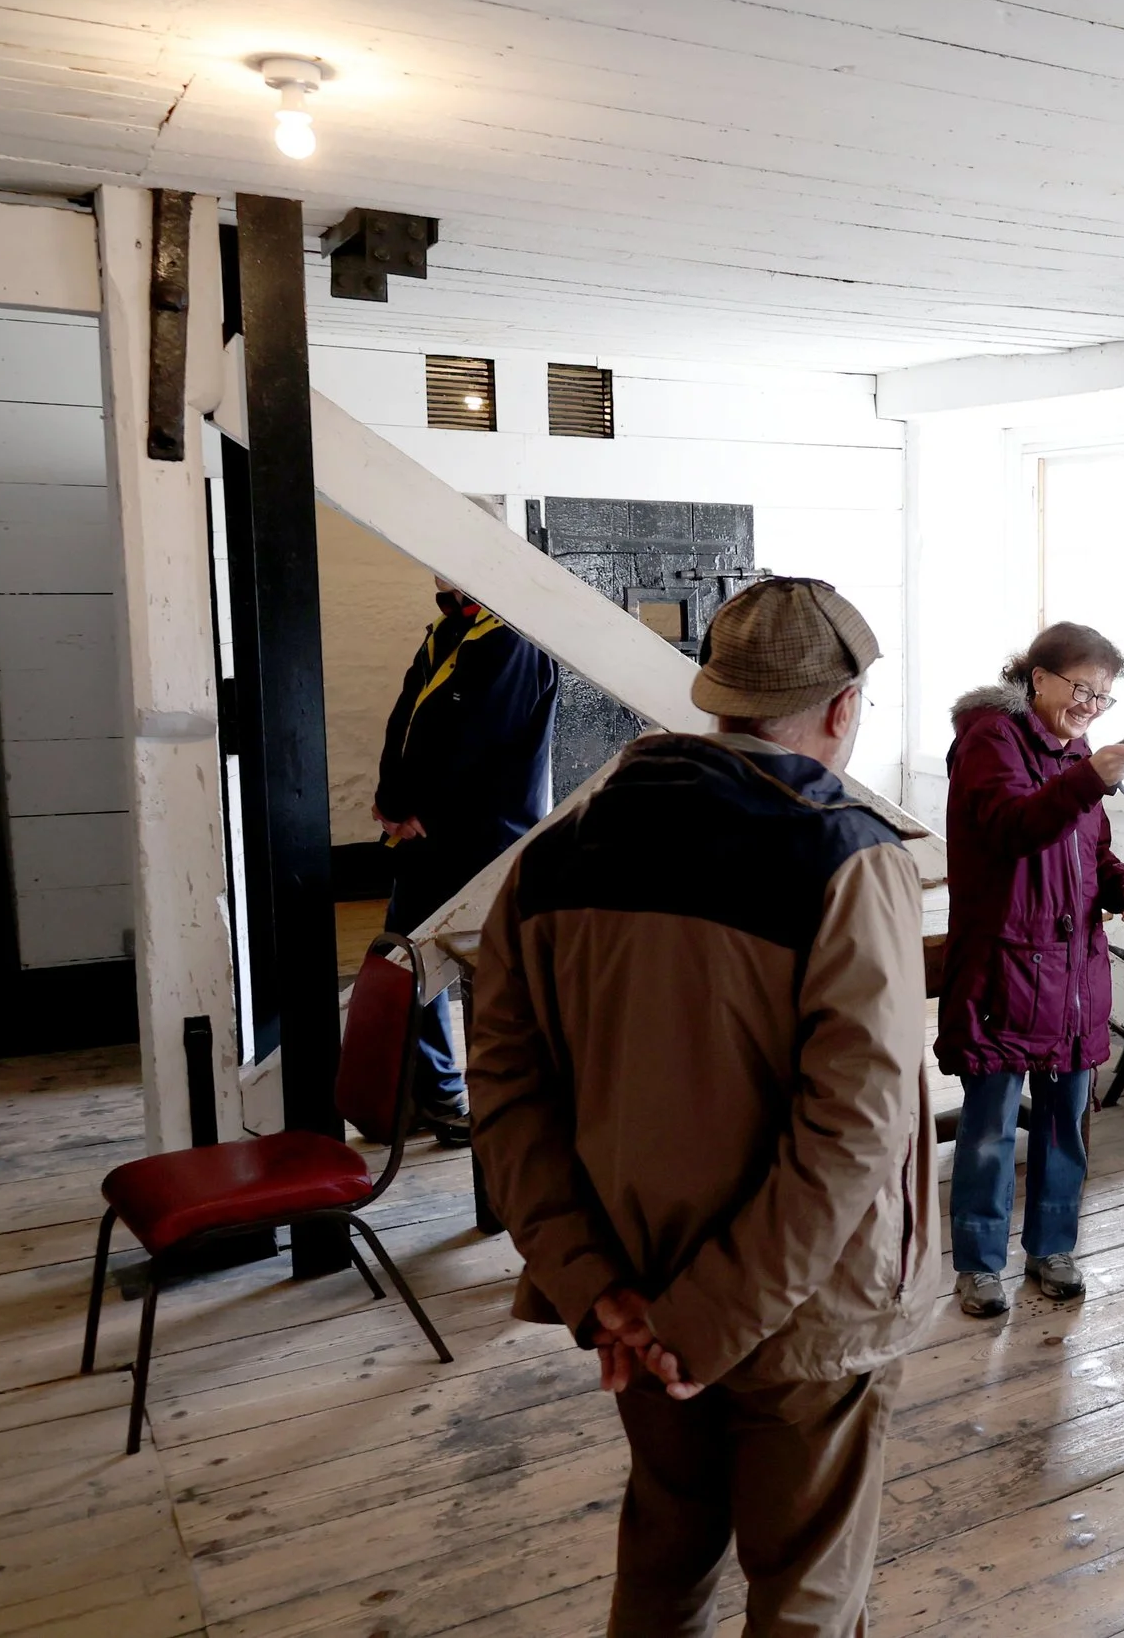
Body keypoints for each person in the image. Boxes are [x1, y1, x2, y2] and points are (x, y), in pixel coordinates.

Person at [467, 577, 936, 1637]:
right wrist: (710, 1321)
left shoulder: (553, 855)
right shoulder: (849, 855)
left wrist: (602, 1294)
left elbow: (505, 1096)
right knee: (808, 1586)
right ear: (842, 705)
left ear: (716, 697)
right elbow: (857, 1124)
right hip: (802, 1314)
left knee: (666, 1557)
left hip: (633, 1293)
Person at [938, 622, 1124, 1318]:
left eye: (1104, 695)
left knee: (1065, 1125)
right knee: (992, 1127)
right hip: (1006, 970)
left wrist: (1120, 883)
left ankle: (1053, 1246)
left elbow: (1089, 847)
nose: (1091, 704)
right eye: (1081, 687)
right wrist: (1089, 780)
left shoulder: (1075, 750)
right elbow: (1011, 826)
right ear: (1037, 678)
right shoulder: (989, 741)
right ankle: (978, 1262)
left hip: (1073, 975)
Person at [372, 578, 558, 1146]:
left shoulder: (512, 640)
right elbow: (409, 719)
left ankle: (473, 1103)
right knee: (405, 955)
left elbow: (474, 745)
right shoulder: (453, 629)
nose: (435, 570)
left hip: (477, 836)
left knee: (471, 969)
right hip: (430, 830)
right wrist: (390, 801)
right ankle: (436, 1092)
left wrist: (412, 809)